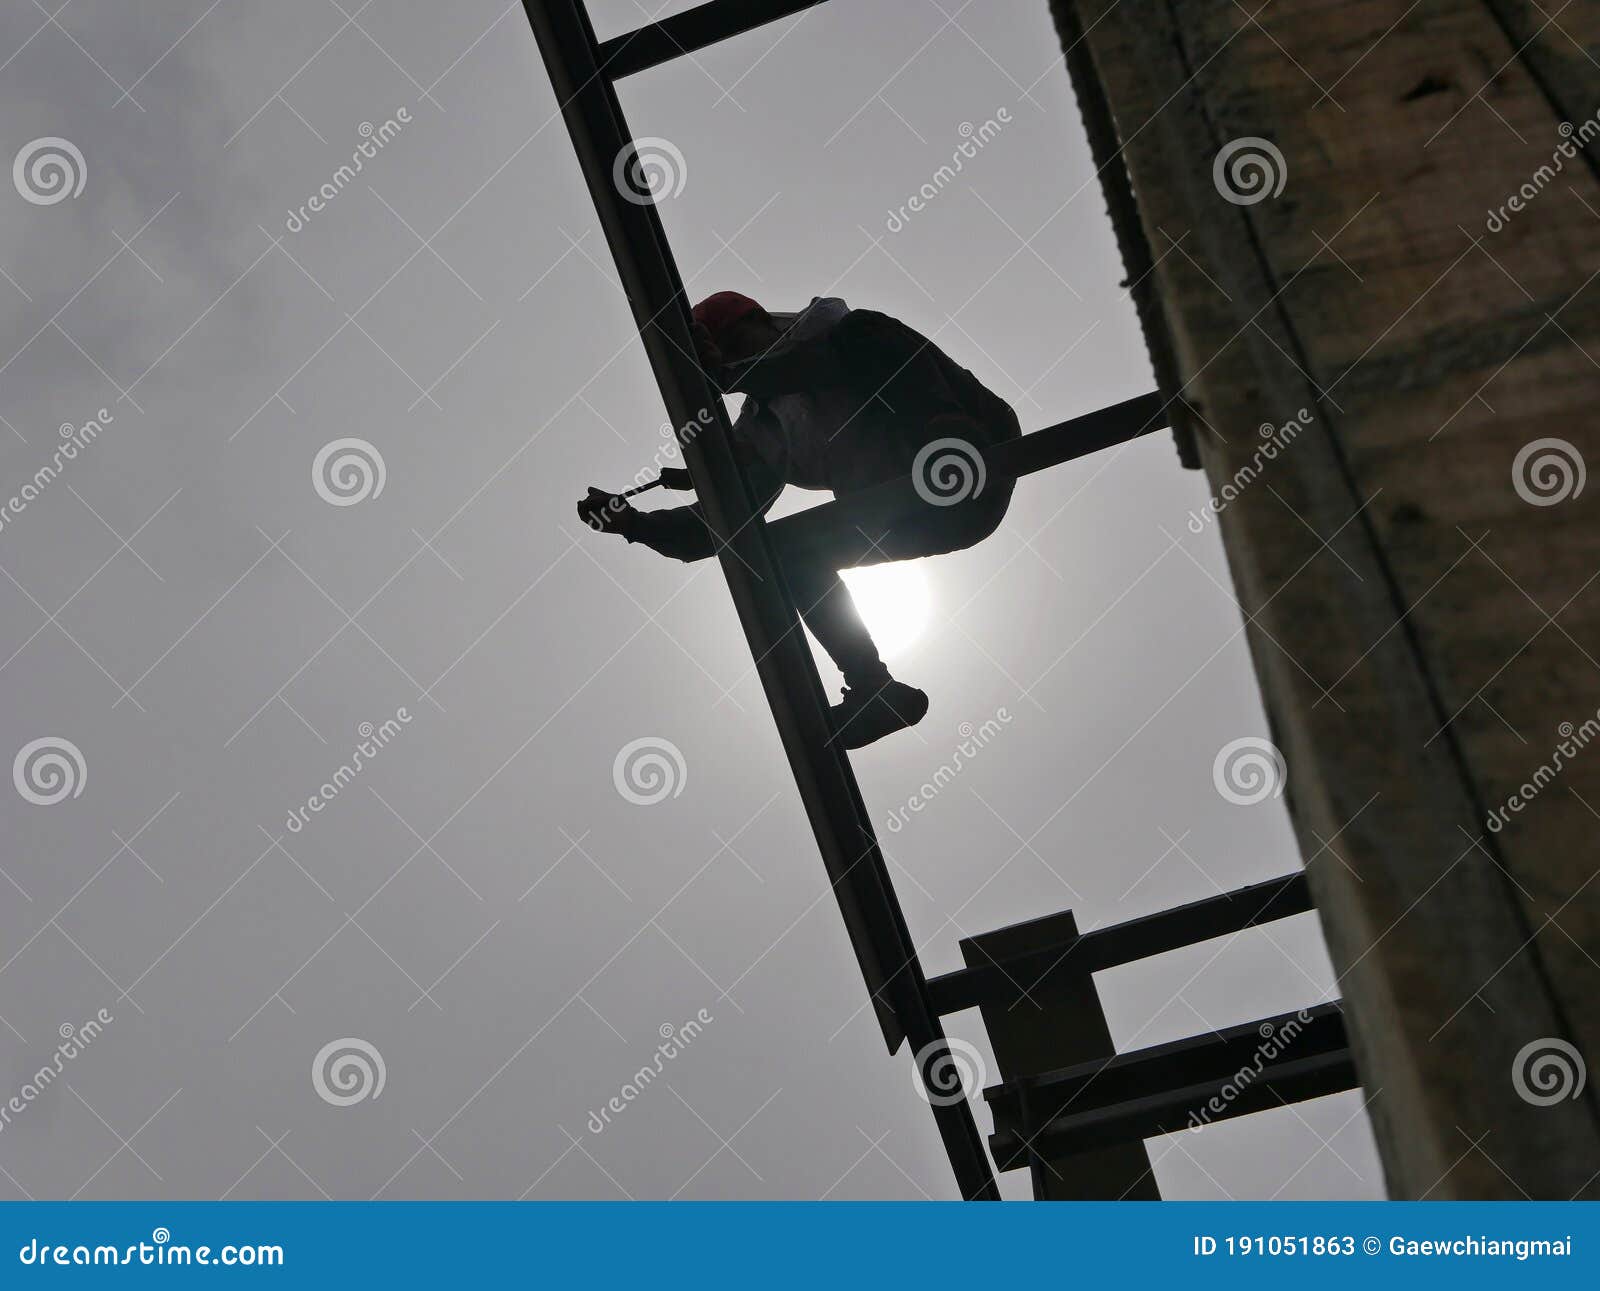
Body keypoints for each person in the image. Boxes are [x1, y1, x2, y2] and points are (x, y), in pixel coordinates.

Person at [578, 292, 1019, 749]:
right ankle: (874, 688)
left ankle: (944, 437)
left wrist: (730, 373)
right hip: (922, 509)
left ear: (760, 321)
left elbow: (820, 361)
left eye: (737, 343)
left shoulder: (826, 328)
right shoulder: (765, 426)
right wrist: (634, 523)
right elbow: (719, 529)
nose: (739, 357)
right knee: (781, 553)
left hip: (974, 441)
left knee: (863, 332)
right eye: (727, 354)